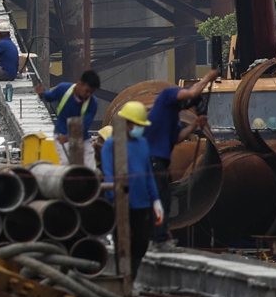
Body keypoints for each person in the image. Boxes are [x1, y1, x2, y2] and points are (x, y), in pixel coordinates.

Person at [145, 69, 219, 250]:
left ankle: (157, 236)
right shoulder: (167, 96)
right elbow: (193, 92)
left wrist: (194, 125)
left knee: (164, 198)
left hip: (159, 161)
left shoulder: (173, 116)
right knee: (159, 199)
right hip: (152, 159)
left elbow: (177, 138)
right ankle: (158, 239)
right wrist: (208, 78)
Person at [101, 101, 163, 281]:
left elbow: (147, 173)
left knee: (140, 244)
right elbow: (108, 175)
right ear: (127, 123)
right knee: (123, 244)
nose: (139, 129)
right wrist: (115, 200)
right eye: (137, 125)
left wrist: (156, 200)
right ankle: (124, 278)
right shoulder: (111, 144)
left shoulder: (143, 143)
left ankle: (131, 278)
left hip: (142, 204)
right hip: (121, 204)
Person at [35, 70, 102, 166]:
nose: (88, 95)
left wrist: (68, 136)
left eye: (91, 92)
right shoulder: (63, 89)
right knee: (66, 163)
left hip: (81, 136)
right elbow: (50, 96)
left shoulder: (92, 103)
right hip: (61, 133)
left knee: (89, 164)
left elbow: (84, 125)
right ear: (79, 84)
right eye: (87, 91)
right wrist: (42, 94)